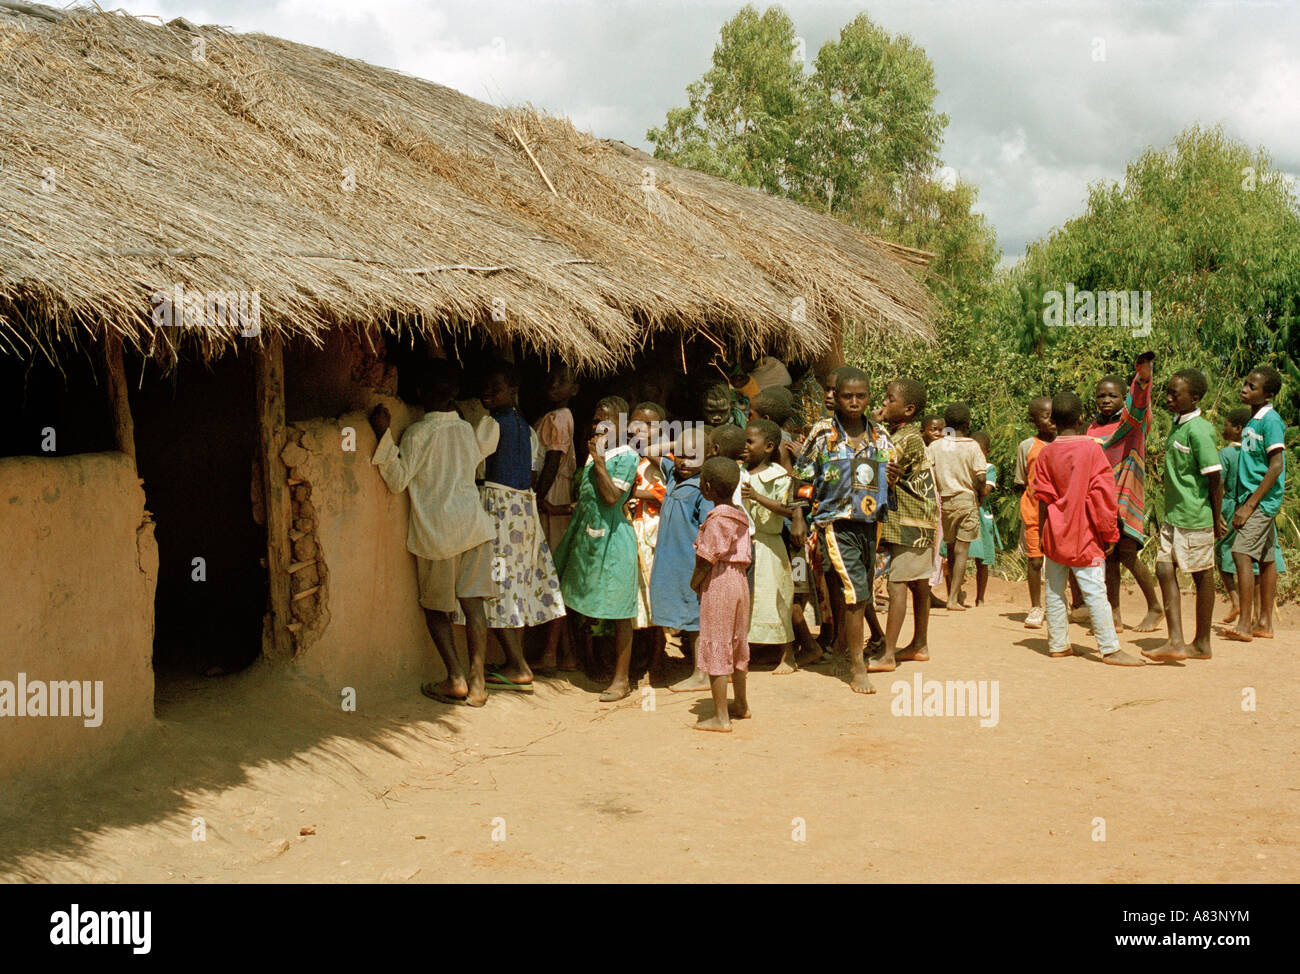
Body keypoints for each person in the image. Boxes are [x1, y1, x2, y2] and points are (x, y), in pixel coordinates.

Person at [368, 359, 497, 706]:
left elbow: (396, 480)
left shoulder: (418, 434)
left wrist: (383, 435)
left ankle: (455, 678)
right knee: (473, 606)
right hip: (474, 527)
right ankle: (478, 680)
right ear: (455, 393)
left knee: (436, 611)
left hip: (438, 536)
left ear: (420, 392)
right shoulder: (466, 429)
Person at [791, 366, 892, 694]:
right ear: (836, 397)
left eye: (860, 396)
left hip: (869, 523)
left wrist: (893, 476)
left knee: (860, 591)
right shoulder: (822, 433)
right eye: (847, 395)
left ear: (867, 397)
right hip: (834, 521)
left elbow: (892, 473)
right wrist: (797, 515)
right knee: (854, 591)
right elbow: (802, 477)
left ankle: (844, 649)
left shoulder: (880, 435)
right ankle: (857, 666)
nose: (853, 401)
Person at [1033, 391, 1143, 665]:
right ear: (1082, 419)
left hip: (1055, 534)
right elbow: (1103, 497)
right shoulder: (1093, 450)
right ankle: (1109, 648)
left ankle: (1058, 643)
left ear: (1053, 421)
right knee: (1095, 591)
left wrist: (1043, 534)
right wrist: (1110, 534)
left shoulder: (1046, 454)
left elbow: (1043, 500)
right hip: (1085, 534)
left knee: (1055, 591)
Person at [476, 365, 565, 691]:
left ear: (512, 389)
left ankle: (517, 665)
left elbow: (473, 457)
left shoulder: (490, 424)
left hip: (500, 510)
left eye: (495, 388)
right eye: (484, 388)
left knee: (495, 586)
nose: (487, 394)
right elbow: (531, 474)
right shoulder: (526, 429)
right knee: (518, 584)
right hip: (522, 512)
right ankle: (516, 660)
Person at [551, 396, 641, 701]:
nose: (598, 425)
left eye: (606, 420)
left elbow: (612, 497)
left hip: (613, 540)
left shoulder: (626, 456)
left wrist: (600, 461)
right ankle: (571, 657)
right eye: (595, 419)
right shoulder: (596, 454)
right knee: (572, 595)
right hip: (587, 538)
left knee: (617, 609)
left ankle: (621, 678)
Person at [1143, 370, 1225, 662]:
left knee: (1202, 574)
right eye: (1167, 392)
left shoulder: (1199, 430)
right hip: (1174, 515)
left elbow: (1214, 477)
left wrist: (1216, 519)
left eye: (1174, 394)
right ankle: (1176, 639)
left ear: (1195, 397)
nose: (1168, 398)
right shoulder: (1178, 425)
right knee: (1164, 569)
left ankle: (1202, 642)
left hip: (1195, 516)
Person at [1089, 354, 1164, 632]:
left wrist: (1143, 377)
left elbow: (1141, 401)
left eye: (1113, 395)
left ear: (1124, 398)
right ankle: (1115, 615)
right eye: (1100, 396)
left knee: (1128, 554)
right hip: (1101, 499)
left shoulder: (1133, 423)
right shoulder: (1093, 427)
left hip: (1125, 497)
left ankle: (1156, 607)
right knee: (1109, 557)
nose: (1106, 400)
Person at [869, 378, 938, 672]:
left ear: (908, 409)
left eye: (890, 399)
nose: (884, 403)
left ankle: (887, 655)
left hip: (910, 522)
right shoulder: (903, 434)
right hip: (919, 520)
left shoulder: (904, 439)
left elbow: (874, 466)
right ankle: (919, 644)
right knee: (919, 586)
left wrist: (871, 422)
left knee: (897, 585)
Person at [1223, 365, 1288, 642]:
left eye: (1252, 386)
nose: (1245, 389)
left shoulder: (1270, 421)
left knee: (1240, 553)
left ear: (1268, 394)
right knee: (1267, 557)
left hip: (1260, 500)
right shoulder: (1252, 421)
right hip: (1252, 498)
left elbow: (1275, 467)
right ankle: (1265, 623)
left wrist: (1249, 505)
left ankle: (1245, 624)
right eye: (1245, 383)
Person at [691, 457, 754, 732]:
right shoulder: (740, 514)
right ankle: (740, 703)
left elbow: (706, 558)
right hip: (740, 581)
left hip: (720, 582)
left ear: (706, 487)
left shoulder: (717, 518)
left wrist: (695, 582)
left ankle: (720, 717)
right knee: (737, 641)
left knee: (717, 641)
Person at [652, 427, 712, 686]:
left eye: (693, 456)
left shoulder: (703, 488)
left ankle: (701, 673)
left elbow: (708, 529)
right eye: (680, 455)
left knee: (695, 616)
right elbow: (649, 450)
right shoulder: (673, 475)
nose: (685, 461)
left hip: (690, 562)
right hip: (669, 562)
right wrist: (681, 443)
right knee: (675, 610)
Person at [741, 419, 797, 672]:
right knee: (751, 600)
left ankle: (788, 657)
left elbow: (787, 510)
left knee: (776, 598)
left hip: (769, 545)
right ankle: (750, 653)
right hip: (745, 544)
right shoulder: (739, 472)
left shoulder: (778, 476)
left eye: (750, 442)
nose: (744, 446)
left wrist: (757, 497)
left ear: (768, 446)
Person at [534, 364, 580, 672]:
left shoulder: (560, 417)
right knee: (556, 575)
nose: (554, 384)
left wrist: (538, 497)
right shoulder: (555, 416)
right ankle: (565, 654)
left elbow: (554, 456)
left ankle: (552, 653)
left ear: (574, 390)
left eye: (562, 381)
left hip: (553, 494)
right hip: (555, 492)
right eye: (550, 378)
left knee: (552, 574)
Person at [929, 402, 989, 610]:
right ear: (968, 423)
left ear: (947, 424)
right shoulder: (972, 446)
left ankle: (950, 594)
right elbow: (981, 475)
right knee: (963, 551)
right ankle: (954, 598)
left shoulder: (936, 446)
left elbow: (926, 470)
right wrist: (980, 493)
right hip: (967, 501)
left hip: (946, 503)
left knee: (952, 550)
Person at [628, 402, 668, 680]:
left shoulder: (664, 459)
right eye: (637, 423)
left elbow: (667, 494)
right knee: (637, 595)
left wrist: (632, 492)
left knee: (653, 595)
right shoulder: (629, 456)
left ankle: (657, 657)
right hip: (634, 530)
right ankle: (639, 656)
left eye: (650, 425)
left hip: (653, 532)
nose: (642, 429)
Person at [1013, 397, 1055, 628]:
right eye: (1046, 416)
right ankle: (1036, 606)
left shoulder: (1066, 443)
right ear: (1033, 420)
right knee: (1035, 561)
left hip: (1061, 514)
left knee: (1065, 561)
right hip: (1033, 513)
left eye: (1054, 415)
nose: (1052, 421)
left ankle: (1073, 604)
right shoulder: (1027, 446)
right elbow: (1022, 481)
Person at [969, 430, 1002, 607]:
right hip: (965, 512)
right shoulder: (964, 465)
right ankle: (954, 593)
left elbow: (985, 491)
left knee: (982, 558)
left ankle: (980, 597)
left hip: (981, 515)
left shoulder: (989, 468)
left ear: (987, 452)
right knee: (954, 553)